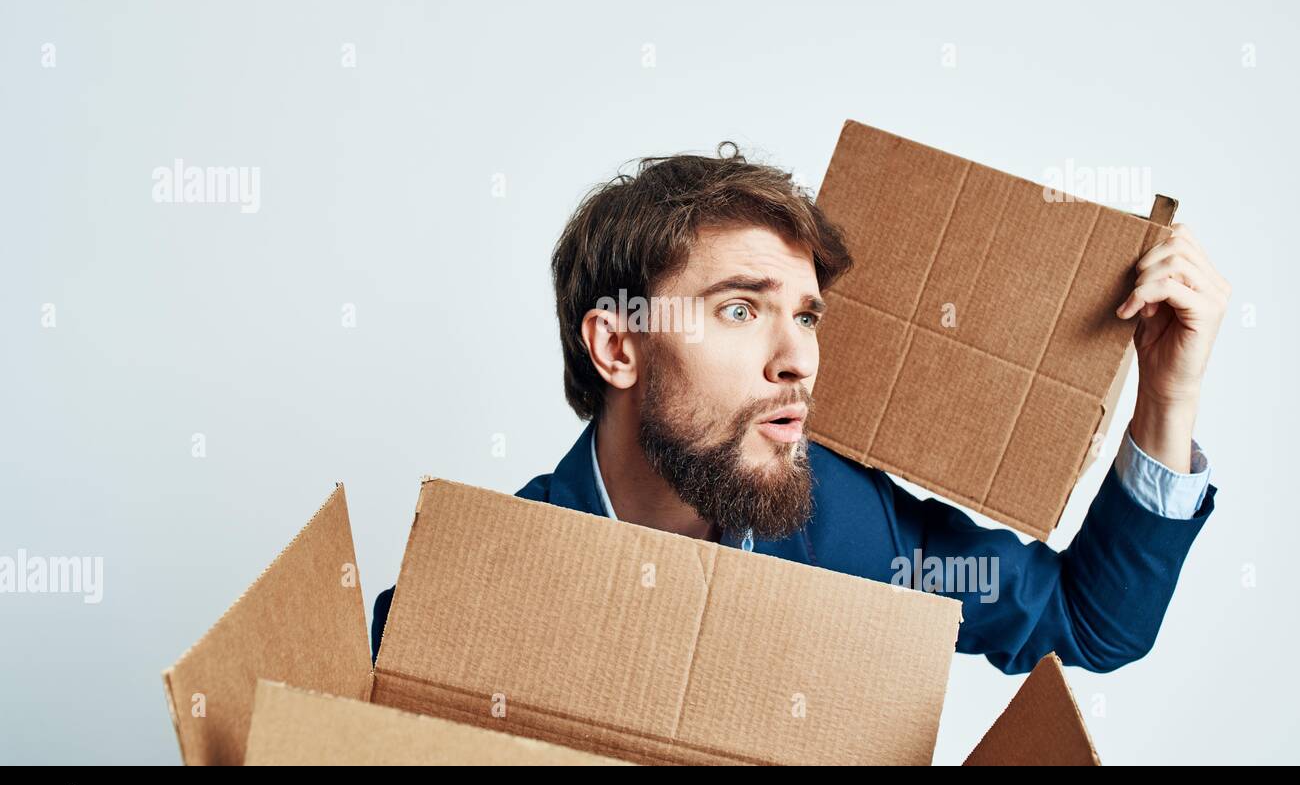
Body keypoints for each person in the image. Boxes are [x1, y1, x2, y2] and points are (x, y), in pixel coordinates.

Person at [373, 143, 1225, 674]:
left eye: (807, 314)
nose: (801, 361)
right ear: (619, 346)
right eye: (741, 309)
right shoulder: (464, 596)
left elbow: (1086, 621)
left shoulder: (854, 531)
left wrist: (1167, 394)